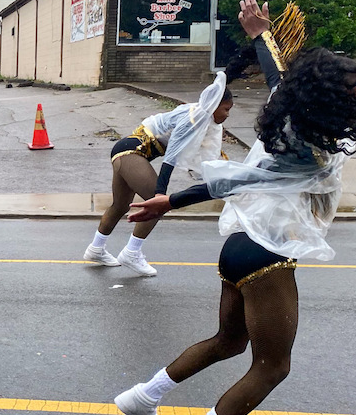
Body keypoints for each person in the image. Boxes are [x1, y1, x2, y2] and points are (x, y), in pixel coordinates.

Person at [113, 0, 356, 415]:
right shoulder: (315, 143)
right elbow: (238, 177)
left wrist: (262, 36)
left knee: (229, 341)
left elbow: (277, 83)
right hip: (268, 254)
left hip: (241, 245)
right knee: (273, 365)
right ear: (332, 99)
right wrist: (171, 200)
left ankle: (143, 396)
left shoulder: (289, 116)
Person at [83, 68, 239, 276]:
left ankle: (96, 249)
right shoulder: (193, 118)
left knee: (120, 205)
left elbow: (207, 160)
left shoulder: (204, 119)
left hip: (127, 153)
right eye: (226, 109)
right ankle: (132, 252)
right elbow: (171, 157)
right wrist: (160, 194)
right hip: (131, 152)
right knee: (154, 204)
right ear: (214, 105)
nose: (227, 115)